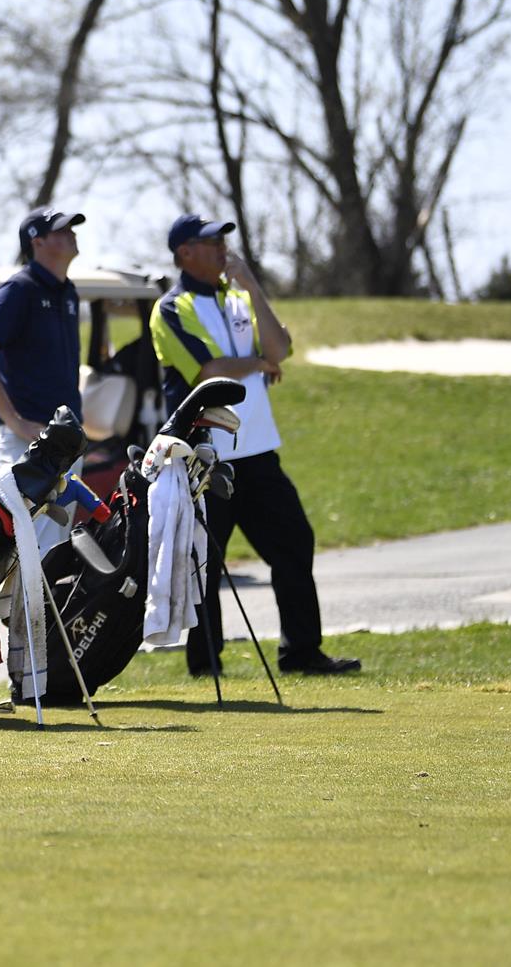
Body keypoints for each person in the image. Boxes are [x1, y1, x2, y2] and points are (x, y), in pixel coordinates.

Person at [149, 214, 361, 677]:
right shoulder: (172, 307)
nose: (223, 248)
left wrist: (251, 285)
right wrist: (258, 363)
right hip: (207, 457)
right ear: (185, 251)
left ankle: (301, 653)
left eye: (224, 240)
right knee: (206, 563)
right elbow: (208, 372)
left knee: (294, 544)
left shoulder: (239, 296)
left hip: (258, 453)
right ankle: (206, 664)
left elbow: (280, 347)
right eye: (211, 242)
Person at [0, 207, 87, 469]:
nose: (71, 234)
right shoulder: (20, 288)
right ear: (37, 242)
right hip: (29, 439)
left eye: (70, 229)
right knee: (26, 513)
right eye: (61, 230)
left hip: (68, 436)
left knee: (62, 512)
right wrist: (13, 420)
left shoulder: (69, 292)